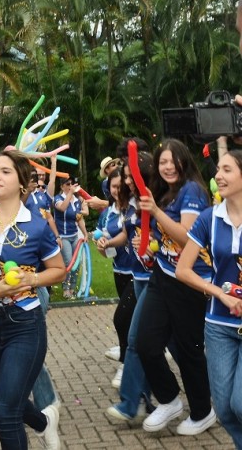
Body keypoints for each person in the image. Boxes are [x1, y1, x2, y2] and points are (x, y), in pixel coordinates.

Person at [0, 149, 65, 449]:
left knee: (6, 411)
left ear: (22, 182)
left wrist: (32, 279)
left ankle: (42, 422)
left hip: (25, 325)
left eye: (5, 171)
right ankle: (45, 422)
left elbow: (57, 271)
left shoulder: (37, 225)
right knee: (9, 402)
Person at [136, 138, 216, 435]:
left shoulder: (192, 190)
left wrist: (155, 213)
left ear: (185, 161)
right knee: (145, 343)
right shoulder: (166, 193)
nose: (168, 167)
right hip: (163, 274)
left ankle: (202, 411)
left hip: (190, 282)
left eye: (173, 161)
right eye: (162, 162)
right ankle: (169, 399)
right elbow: (168, 238)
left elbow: (187, 238)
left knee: (188, 350)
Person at [177, 150, 242, 447]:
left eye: (227, 170)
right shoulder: (208, 219)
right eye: (218, 170)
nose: (218, 175)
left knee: (240, 404)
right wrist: (219, 294)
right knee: (226, 410)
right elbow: (183, 270)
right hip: (218, 324)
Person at [105, 150, 157, 423]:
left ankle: (130, 401)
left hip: (155, 280)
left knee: (135, 336)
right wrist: (109, 243)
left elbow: (171, 235)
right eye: (124, 177)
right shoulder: (132, 202)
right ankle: (145, 398)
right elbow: (129, 232)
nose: (125, 181)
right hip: (138, 277)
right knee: (152, 343)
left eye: (129, 175)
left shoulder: (153, 200)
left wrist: (154, 246)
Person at [94, 167, 135, 388]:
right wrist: (101, 245)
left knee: (121, 319)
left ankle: (126, 364)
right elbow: (104, 250)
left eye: (121, 186)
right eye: (114, 187)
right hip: (119, 271)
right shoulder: (107, 213)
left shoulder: (133, 209)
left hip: (138, 273)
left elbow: (128, 235)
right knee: (127, 321)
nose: (118, 191)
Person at [52, 176, 88, 298]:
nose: (70, 187)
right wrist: (70, 194)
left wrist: (85, 233)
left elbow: (79, 218)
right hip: (63, 236)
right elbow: (62, 207)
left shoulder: (76, 200)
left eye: (72, 184)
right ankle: (65, 288)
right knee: (68, 262)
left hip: (74, 235)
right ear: (62, 186)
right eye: (68, 184)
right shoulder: (57, 198)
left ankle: (73, 288)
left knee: (76, 263)